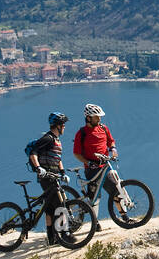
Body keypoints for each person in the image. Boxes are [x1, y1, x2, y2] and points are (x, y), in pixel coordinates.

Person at [73, 103, 126, 231]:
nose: (99, 119)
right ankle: (95, 223)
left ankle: (124, 217)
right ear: (89, 118)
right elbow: (76, 153)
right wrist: (88, 162)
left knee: (116, 190)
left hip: (104, 166)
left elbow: (110, 141)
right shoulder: (81, 133)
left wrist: (113, 148)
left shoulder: (103, 128)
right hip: (91, 169)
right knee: (95, 197)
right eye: (97, 117)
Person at [26, 112, 70, 245]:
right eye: (63, 124)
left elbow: (57, 159)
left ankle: (51, 238)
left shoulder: (57, 140)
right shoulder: (48, 138)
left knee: (50, 207)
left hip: (54, 175)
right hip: (46, 176)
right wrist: (39, 168)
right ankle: (65, 235)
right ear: (57, 126)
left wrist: (62, 172)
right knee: (60, 204)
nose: (64, 127)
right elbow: (34, 152)